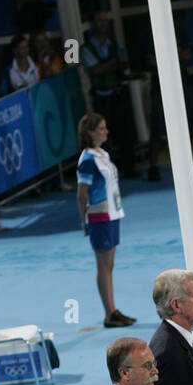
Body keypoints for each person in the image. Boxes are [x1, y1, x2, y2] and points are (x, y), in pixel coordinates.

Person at [76, 111, 136, 329]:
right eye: (101, 128)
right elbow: (81, 193)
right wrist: (84, 221)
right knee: (103, 265)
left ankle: (113, 309)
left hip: (112, 213)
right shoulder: (87, 160)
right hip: (99, 216)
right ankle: (109, 313)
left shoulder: (102, 154)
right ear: (90, 132)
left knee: (109, 264)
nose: (105, 131)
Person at [145, 41, 193, 182]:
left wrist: (174, 55)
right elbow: (153, 61)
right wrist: (174, 55)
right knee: (159, 126)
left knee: (192, 120)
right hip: (160, 83)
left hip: (181, 78)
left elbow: (187, 55)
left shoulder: (180, 32)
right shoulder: (150, 35)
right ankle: (153, 167)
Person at [80, 11, 137, 178]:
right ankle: (107, 170)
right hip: (100, 96)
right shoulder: (86, 48)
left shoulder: (115, 44)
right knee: (102, 135)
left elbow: (124, 65)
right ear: (92, 24)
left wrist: (106, 66)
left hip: (117, 93)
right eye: (99, 21)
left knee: (125, 131)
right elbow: (95, 70)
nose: (103, 24)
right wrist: (112, 63)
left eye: (105, 21)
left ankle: (129, 167)